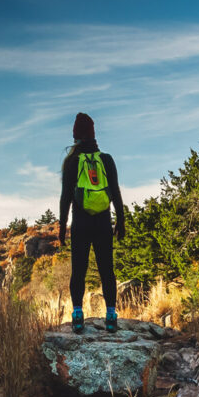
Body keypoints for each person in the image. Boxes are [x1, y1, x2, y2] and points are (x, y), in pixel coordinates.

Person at [59, 112, 125, 334]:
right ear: (93, 135)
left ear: (76, 136)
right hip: (103, 224)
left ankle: (78, 316)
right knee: (107, 270)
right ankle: (111, 316)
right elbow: (115, 192)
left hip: (80, 225)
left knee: (79, 270)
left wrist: (61, 228)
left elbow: (65, 197)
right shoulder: (106, 160)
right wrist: (121, 221)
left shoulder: (72, 162)